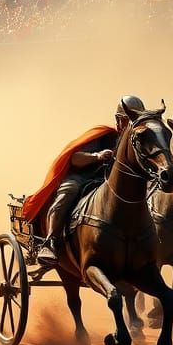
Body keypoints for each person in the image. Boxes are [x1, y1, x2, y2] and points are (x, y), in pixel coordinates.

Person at [24, 95, 143, 266]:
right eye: (128, 119)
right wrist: (97, 156)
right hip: (84, 179)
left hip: (111, 185)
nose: (132, 124)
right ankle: (50, 242)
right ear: (118, 120)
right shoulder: (103, 136)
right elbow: (75, 158)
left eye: (136, 120)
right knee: (67, 193)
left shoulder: (137, 142)